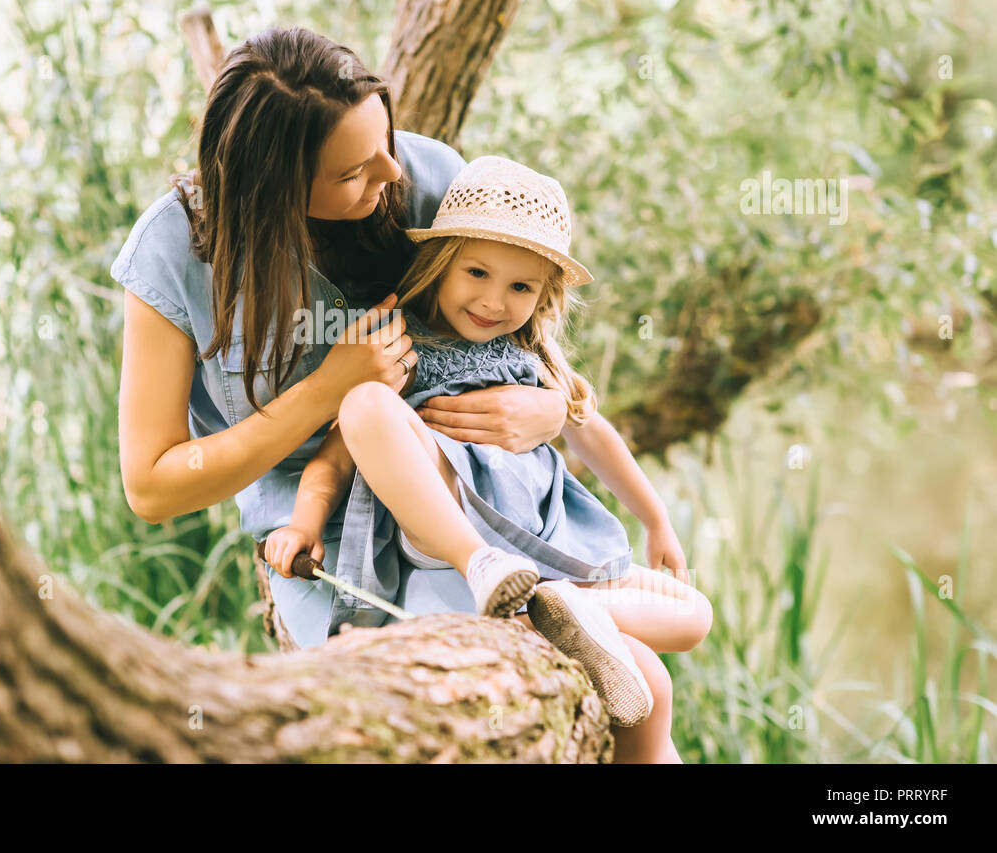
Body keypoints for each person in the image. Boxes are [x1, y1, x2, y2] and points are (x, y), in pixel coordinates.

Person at [111, 26, 574, 656]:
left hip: (471, 494)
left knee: (578, 661)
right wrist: (329, 388)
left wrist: (549, 409)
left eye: (384, 138)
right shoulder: (171, 252)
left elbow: (528, 327)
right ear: (275, 192)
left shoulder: (431, 177)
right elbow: (152, 487)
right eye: (354, 171)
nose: (392, 168)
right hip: (323, 535)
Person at [264, 155, 713, 763]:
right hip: (454, 531)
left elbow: (591, 431)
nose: (494, 301)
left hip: (546, 554)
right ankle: (484, 568)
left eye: (521, 287)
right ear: (441, 263)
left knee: (688, 616)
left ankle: (567, 611)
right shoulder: (401, 345)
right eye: (477, 271)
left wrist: (656, 519)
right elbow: (335, 460)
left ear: (544, 295)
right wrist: (303, 524)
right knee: (366, 402)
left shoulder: (538, 363)